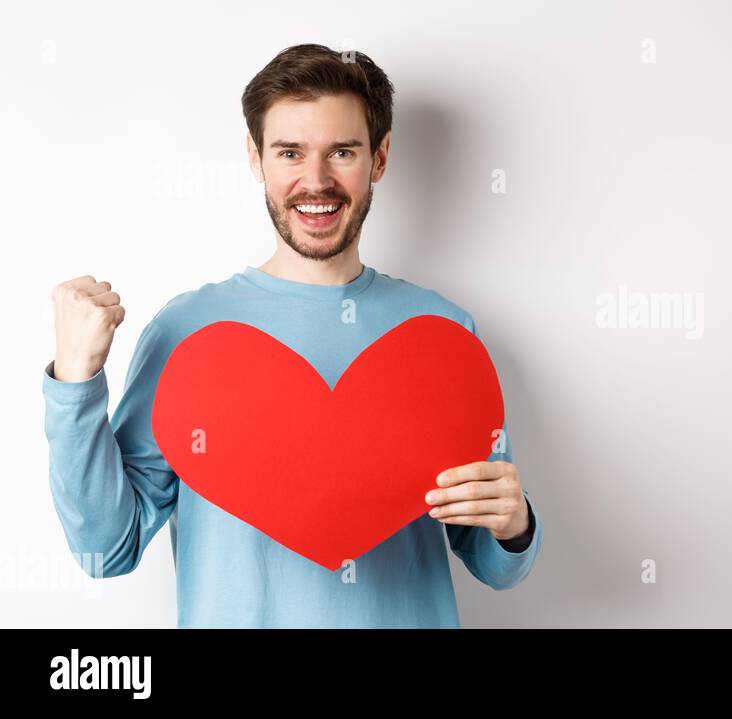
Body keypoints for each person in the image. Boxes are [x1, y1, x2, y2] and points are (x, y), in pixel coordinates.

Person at [41, 43, 540, 628]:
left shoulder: (442, 334)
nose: (316, 181)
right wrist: (76, 383)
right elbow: (110, 549)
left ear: (379, 159)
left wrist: (515, 523)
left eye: (342, 152)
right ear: (256, 159)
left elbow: (497, 564)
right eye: (290, 152)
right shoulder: (187, 331)